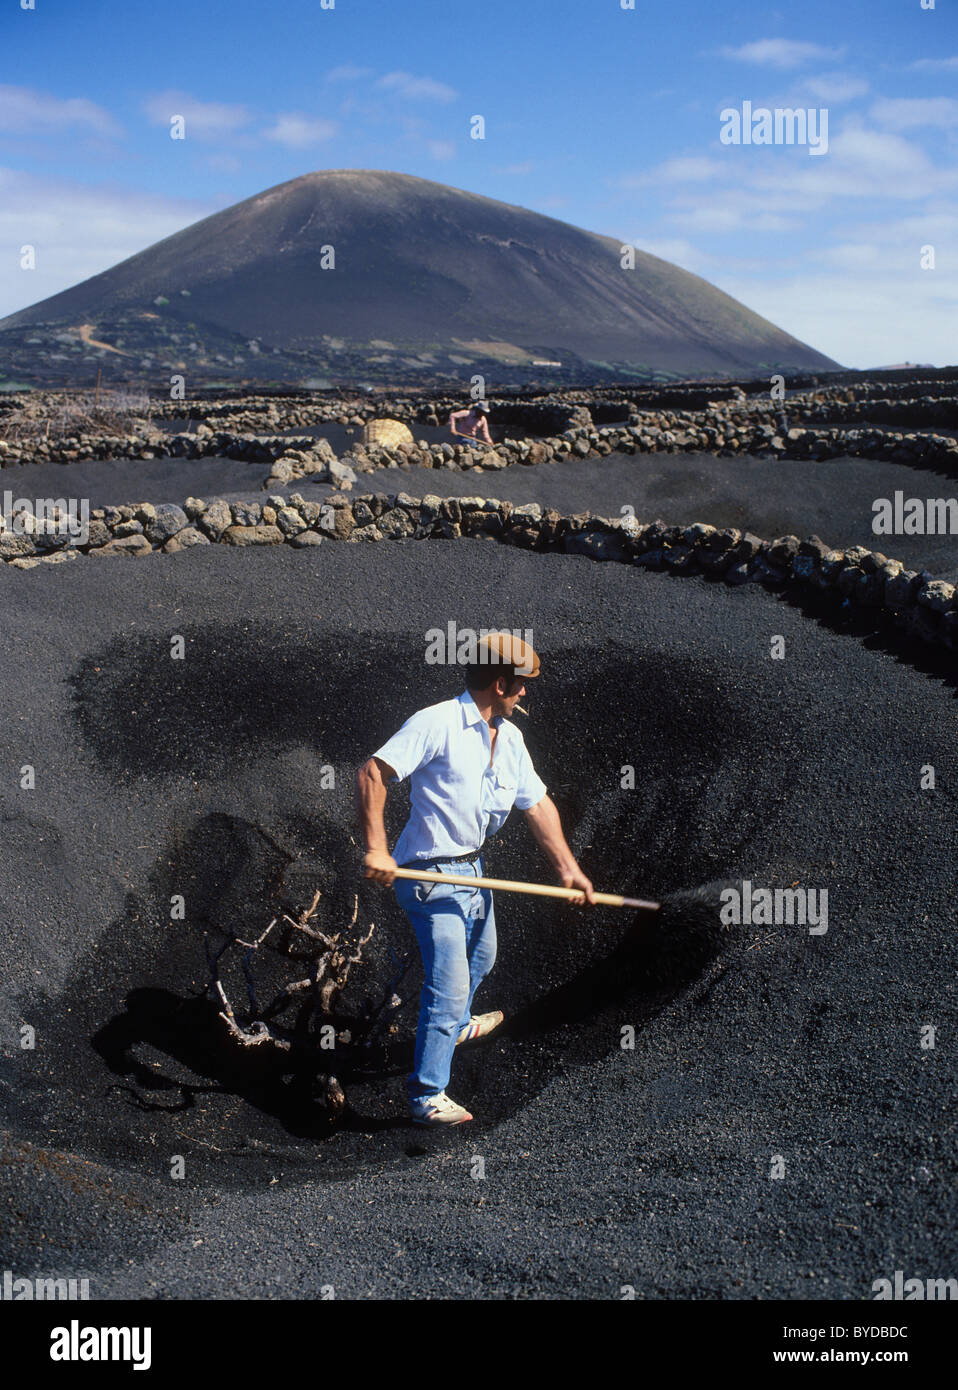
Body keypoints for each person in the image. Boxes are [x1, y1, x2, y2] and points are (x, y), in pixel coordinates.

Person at [356, 633, 595, 1126]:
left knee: (482, 957)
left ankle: (458, 1024)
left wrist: (569, 870)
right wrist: (377, 848)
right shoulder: (438, 722)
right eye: (521, 685)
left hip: (473, 872)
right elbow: (372, 773)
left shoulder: (509, 739)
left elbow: (538, 805)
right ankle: (426, 1094)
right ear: (500, 682)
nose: (525, 694)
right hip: (426, 873)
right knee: (448, 981)